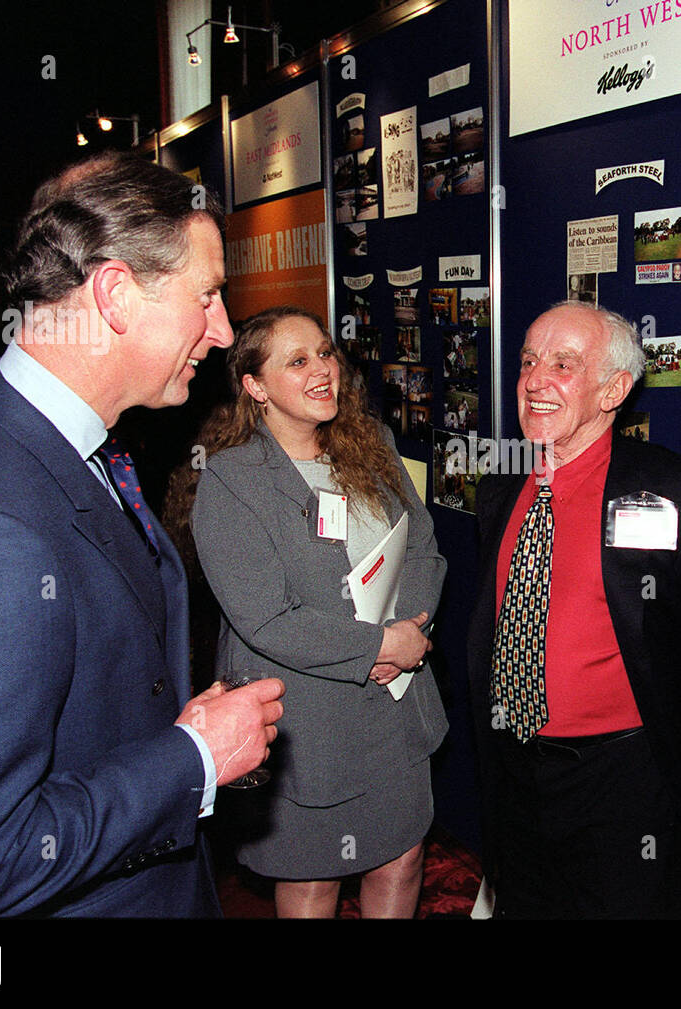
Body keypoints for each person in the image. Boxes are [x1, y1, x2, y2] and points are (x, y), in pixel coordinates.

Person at [0, 153, 284, 917]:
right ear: (116, 293)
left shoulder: (61, 441)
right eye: (209, 294)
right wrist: (192, 758)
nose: (222, 331)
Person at [171, 306, 447, 918]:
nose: (324, 370)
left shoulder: (369, 441)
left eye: (325, 352)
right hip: (308, 723)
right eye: (298, 361)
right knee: (312, 880)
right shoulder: (232, 481)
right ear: (255, 386)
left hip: (396, 709)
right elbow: (266, 619)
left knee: (401, 858)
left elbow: (422, 544)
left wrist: (413, 628)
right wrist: (378, 648)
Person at [465, 301, 681, 918]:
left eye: (563, 364)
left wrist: (643, 745)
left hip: (622, 785)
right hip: (513, 770)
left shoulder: (680, 495)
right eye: (529, 360)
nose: (532, 380)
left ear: (614, 389)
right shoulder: (499, 488)